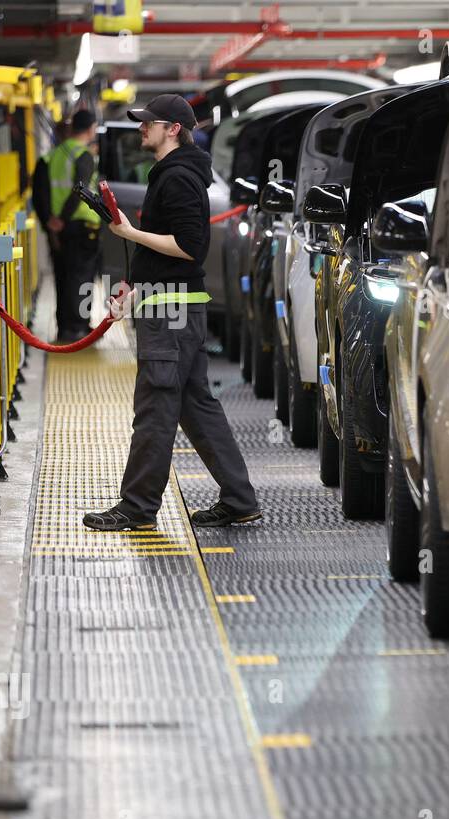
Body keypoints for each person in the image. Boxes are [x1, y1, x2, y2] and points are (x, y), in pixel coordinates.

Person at [83, 94, 261, 532]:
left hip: (172, 312)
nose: (142, 128)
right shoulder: (172, 174)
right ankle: (239, 498)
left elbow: (187, 247)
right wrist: (130, 285)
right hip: (176, 306)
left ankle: (137, 507)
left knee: (155, 407)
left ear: (173, 129)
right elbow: (161, 250)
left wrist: (129, 231)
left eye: (150, 122)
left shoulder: (178, 178)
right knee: (195, 405)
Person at [40, 110, 101, 342]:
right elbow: (81, 191)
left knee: (63, 275)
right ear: (91, 128)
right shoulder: (84, 155)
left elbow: (43, 191)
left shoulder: (53, 155)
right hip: (82, 225)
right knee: (83, 277)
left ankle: (65, 326)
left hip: (60, 228)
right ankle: (79, 328)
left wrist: (51, 220)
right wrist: (63, 218)